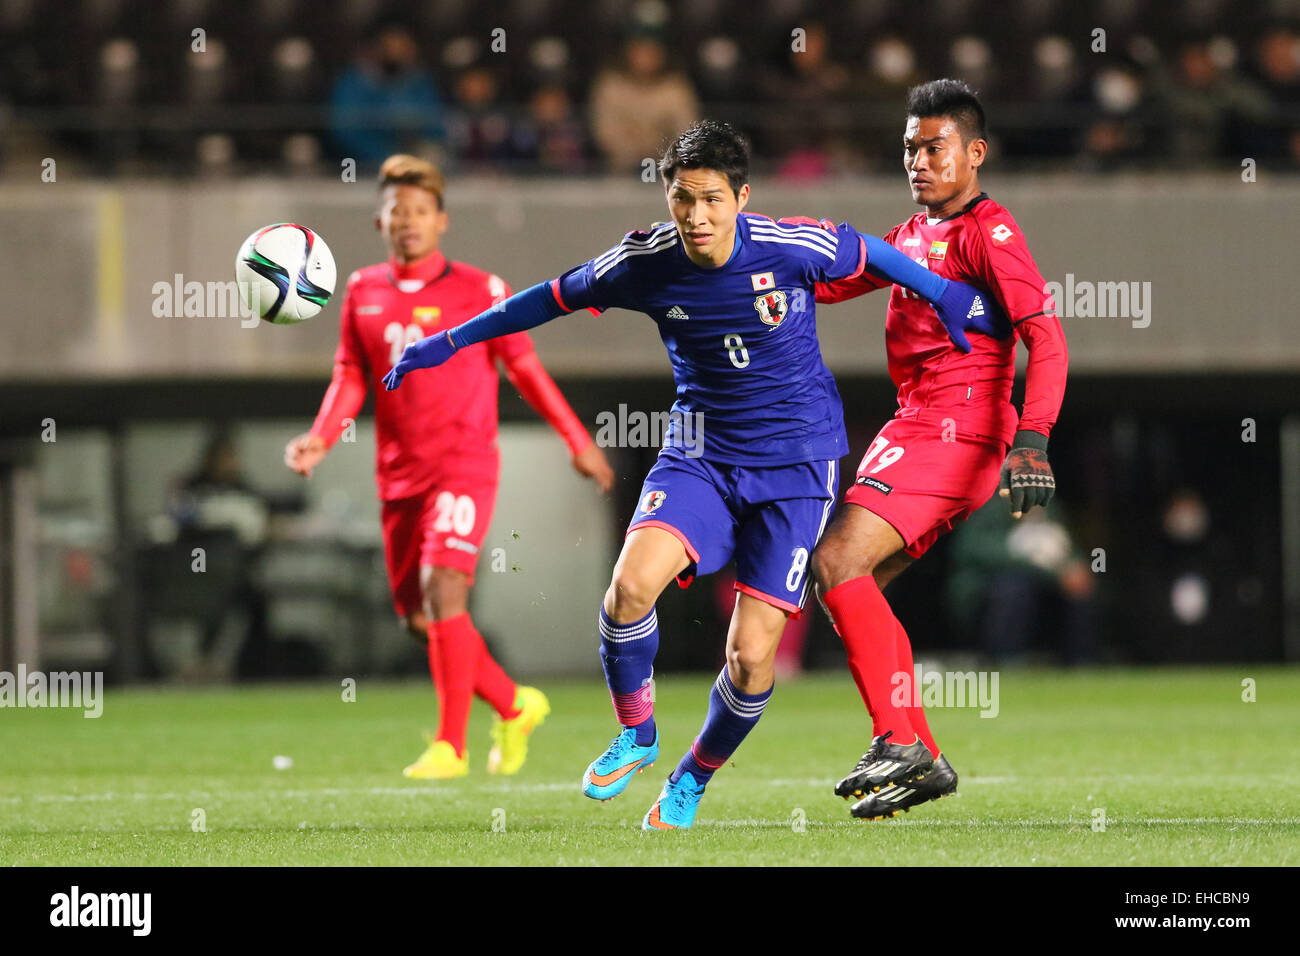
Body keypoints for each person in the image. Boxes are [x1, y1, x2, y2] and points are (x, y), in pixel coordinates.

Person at [383, 120, 1004, 828]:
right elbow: (547, 298)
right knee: (627, 590)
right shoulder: (642, 260)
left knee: (750, 658)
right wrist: (450, 340)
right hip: (700, 453)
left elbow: (870, 251)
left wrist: (944, 294)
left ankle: (692, 776)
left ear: (741, 197)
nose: (696, 217)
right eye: (682, 199)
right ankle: (637, 732)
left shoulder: (788, 244)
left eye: (711, 199)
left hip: (798, 466)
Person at [285, 154, 613, 779]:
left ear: (441, 221)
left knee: (445, 590)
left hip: (462, 466)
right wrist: (321, 439)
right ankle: (515, 706)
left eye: (419, 211)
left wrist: (578, 439)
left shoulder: (480, 290)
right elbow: (351, 375)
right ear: (379, 222)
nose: (407, 222)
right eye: (395, 212)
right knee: (420, 618)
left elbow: (524, 369)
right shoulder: (361, 290)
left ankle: (450, 747)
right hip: (397, 475)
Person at [811, 79, 1069, 819]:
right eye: (909, 149)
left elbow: (1046, 338)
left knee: (837, 562)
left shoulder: (990, 232)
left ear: (974, 153)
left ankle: (898, 737)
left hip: (959, 429)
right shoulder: (909, 236)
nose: (919, 161)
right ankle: (919, 755)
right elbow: (835, 279)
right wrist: (758, 259)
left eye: (935, 148)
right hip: (915, 424)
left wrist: (1034, 441)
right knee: (848, 587)